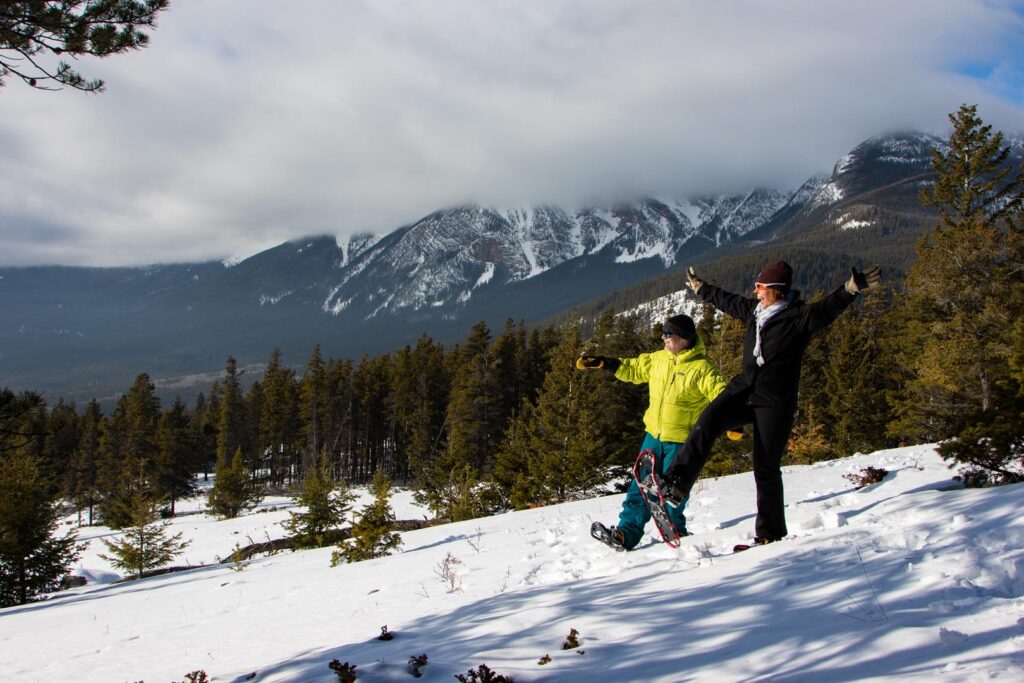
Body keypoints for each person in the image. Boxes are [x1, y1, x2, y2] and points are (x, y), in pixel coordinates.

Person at [663, 261, 882, 547]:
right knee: (708, 420)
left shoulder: (799, 317)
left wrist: (851, 289)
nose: (755, 291)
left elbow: (827, 309)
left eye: (761, 287)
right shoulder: (755, 312)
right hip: (744, 390)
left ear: (776, 291)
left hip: (774, 402)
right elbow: (728, 301)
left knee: (765, 466)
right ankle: (677, 485)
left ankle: (770, 534)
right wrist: (702, 289)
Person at [577, 313, 726, 550]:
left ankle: (676, 531)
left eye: (669, 334)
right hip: (653, 436)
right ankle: (626, 534)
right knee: (639, 487)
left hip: (680, 442)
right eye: (663, 333)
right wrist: (606, 363)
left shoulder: (702, 369)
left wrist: (732, 423)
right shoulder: (659, 359)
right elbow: (633, 368)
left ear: (684, 338)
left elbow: (721, 396)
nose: (664, 338)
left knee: (671, 492)